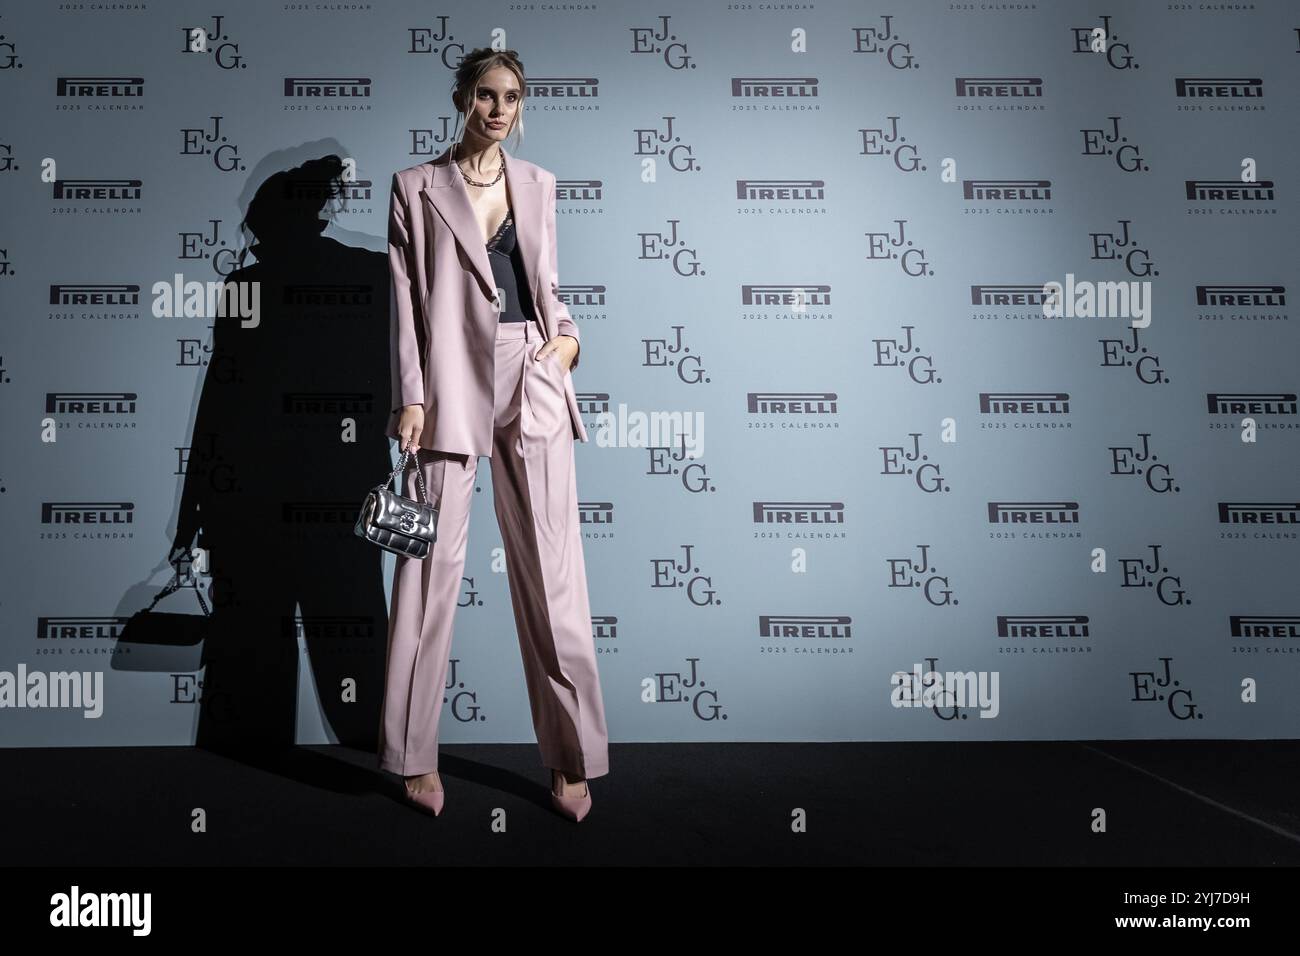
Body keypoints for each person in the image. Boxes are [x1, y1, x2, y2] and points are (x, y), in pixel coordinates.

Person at [377, 48, 609, 823]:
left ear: (522, 105)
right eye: (485, 95)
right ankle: (412, 755)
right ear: (461, 99)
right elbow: (407, 304)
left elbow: (545, 290)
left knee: (554, 573)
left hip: (531, 371)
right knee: (429, 573)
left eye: (511, 97)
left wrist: (567, 342)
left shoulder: (537, 186)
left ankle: (571, 760)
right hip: (448, 383)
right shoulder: (415, 188)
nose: (498, 109)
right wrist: (412, 397)